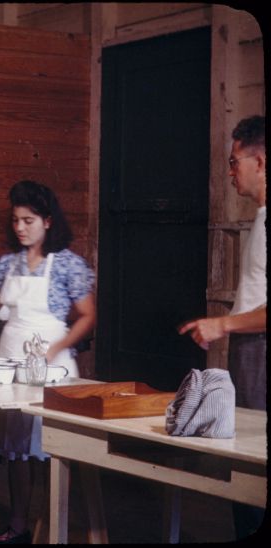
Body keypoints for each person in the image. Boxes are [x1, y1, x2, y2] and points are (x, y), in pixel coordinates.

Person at [0, 180, 95, 543]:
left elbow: (88, 316)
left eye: (28, 220)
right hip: (11, 360)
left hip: (51, 365)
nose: (20, 227)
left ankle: (53, 523)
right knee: (16, 449)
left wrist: (55, 349)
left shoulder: (69, 265)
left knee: (50, 448)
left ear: (47, 221)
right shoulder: (7, 264)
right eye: (15, 220)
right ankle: (18, 524)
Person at [178, 115, 266, 540]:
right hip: (250, 348)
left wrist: (223, 323)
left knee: (252, 461)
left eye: (235, 162)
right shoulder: (262, 218)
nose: (230, 172)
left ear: (261, 162)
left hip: (260, 351)